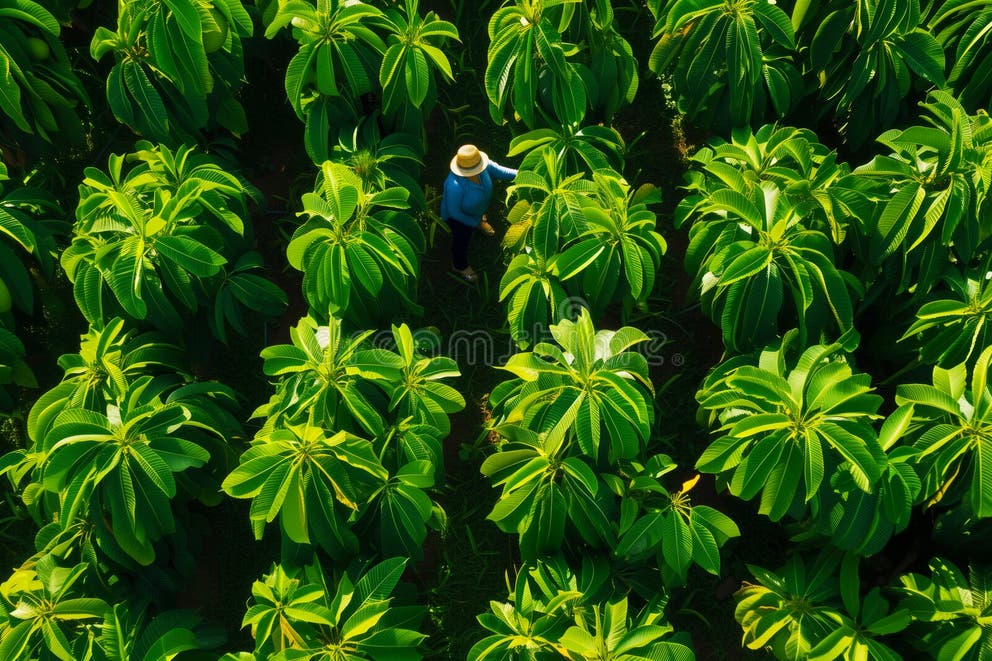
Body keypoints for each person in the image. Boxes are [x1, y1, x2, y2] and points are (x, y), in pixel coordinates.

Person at [441, 144, 517, 282]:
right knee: (461, 241)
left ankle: (480, 222)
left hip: (477, 210)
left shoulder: (482, 165)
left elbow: (502, 172)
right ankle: (459, 265)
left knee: (477, 216)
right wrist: (474, 222)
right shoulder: (454, 186)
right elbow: (454, 212)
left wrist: (523, 175)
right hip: (459, 219)